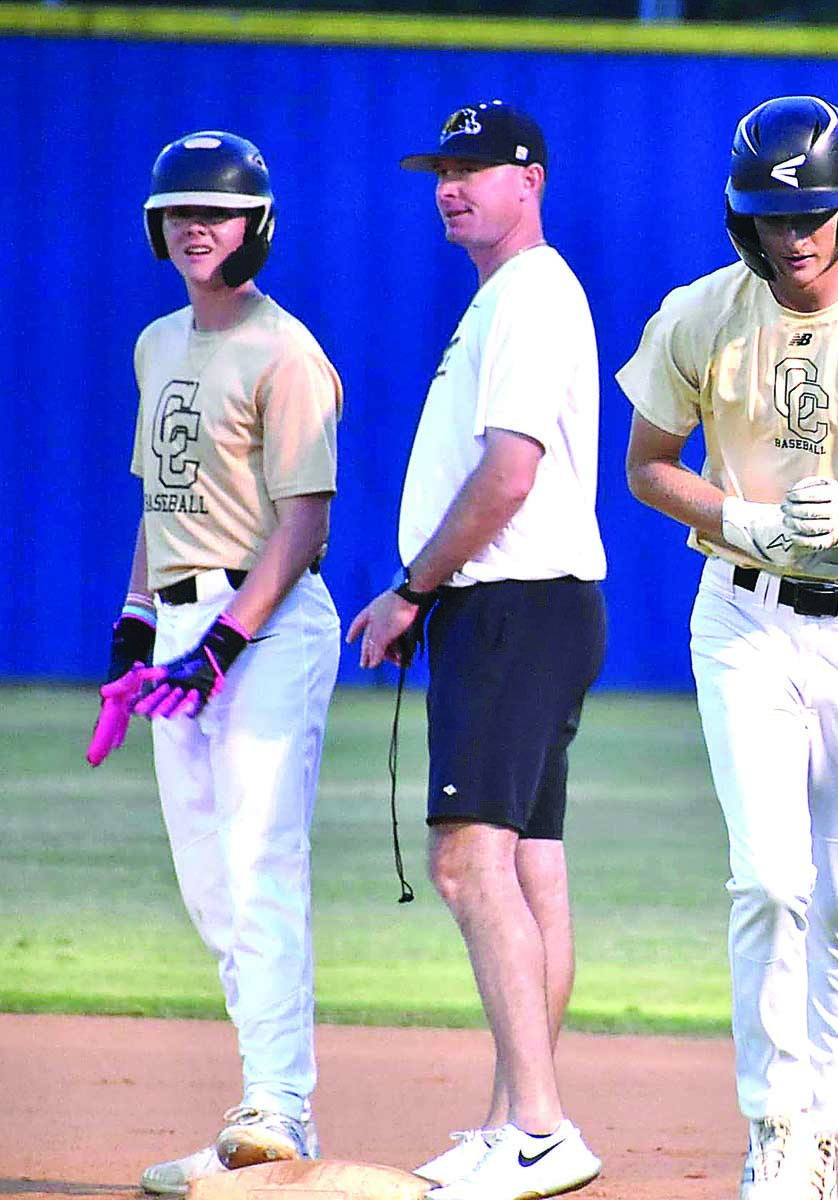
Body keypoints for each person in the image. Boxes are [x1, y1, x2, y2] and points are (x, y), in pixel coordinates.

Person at [617, 95, 838, 1200]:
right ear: (743, 222)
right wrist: (737, 518)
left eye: (818, 211)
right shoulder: (699, 313)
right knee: (768, 878)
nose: (799, 233)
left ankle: (820, 1123)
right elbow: (646, 463)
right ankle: (774, 1126)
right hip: (742, 612)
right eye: (777, 217)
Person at [346, 100, 607, 1200]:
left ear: (528, 179)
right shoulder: (509, 298)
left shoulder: (529, 297)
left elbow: (507, 474)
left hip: (510, 601)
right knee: (526, 866)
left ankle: (540, 1131)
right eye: (439, 171)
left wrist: (413, 591)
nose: (451, 186)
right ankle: (514, 1127)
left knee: (464, 861)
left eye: (474, 168)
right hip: (527, 606)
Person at [88, 130, 342, 1195]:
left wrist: (229, 638)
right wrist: (137, 623)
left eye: (221, 211)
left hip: (269, 626)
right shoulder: (158, 345)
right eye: (182, 210)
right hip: (185, 632)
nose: (199, 225)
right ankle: (260, 1111)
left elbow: (304, 521)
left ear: (258, 227)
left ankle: (277, 1108)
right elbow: (160, 501)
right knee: (209, 886)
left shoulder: (288, 352)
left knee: (257, 863)